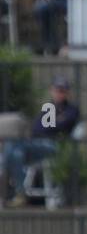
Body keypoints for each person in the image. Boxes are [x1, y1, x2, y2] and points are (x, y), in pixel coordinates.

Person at [2, 76, 80, 208]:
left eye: (62, 91)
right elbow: (37, 128)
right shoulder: (48, 108)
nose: (59, 93)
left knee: (11, 148)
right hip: (35, 144)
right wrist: (52, 123)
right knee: (15, 153)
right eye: (57, 90)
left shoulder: (71, 110)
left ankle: (9, 190)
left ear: (67, 93)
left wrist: (51, 125)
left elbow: (59, 126)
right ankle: (20, 193)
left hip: (53, 145)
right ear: (52, 91)